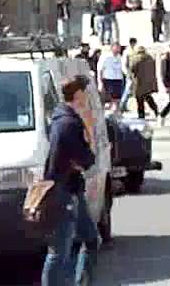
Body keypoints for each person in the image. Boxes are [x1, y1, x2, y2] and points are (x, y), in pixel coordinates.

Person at [41, 75, 100, 286]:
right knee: (59, 251)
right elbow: (88, 159)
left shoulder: (61, 118)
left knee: (91, 239)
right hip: (63, 193)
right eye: (85, 91)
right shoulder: (69, 124)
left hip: (72, 190)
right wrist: (90, 130)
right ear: (78, 95)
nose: (88, 96)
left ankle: (80, 281)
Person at [128, 44, 159, 120]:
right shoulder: (150, 58)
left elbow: (132, 69)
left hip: (139, 82)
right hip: (148, 83)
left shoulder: (136, 59)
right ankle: (156, 111)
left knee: (140, 100)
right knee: (148, 97)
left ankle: (141, 115)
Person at [97, 43, 126, 113]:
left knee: (117, 100)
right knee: (104, 99)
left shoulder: (119, 57)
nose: (118, 50)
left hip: (118, 80)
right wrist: (100, 82)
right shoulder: (105, 56)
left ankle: (115, 115)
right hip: (108, 80)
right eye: (116, 48)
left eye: (119, 48)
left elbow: (123, 68)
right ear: (112, 48)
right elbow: (100, 69)